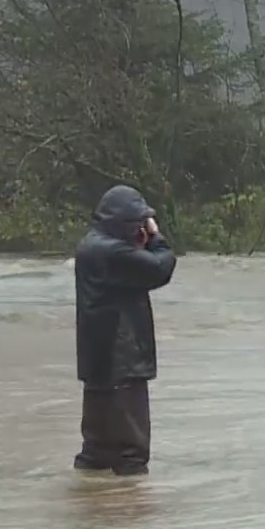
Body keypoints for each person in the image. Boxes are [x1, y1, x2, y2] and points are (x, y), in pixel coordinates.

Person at [73, 185, 176, 475]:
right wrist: (156, 236)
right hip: (124, 363)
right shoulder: (114, 252)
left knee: (94, 453)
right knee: (132, 455)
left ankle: (93, 510)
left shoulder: (88, 247)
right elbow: (162, 267)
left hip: (96, 364)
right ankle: (133, 515)